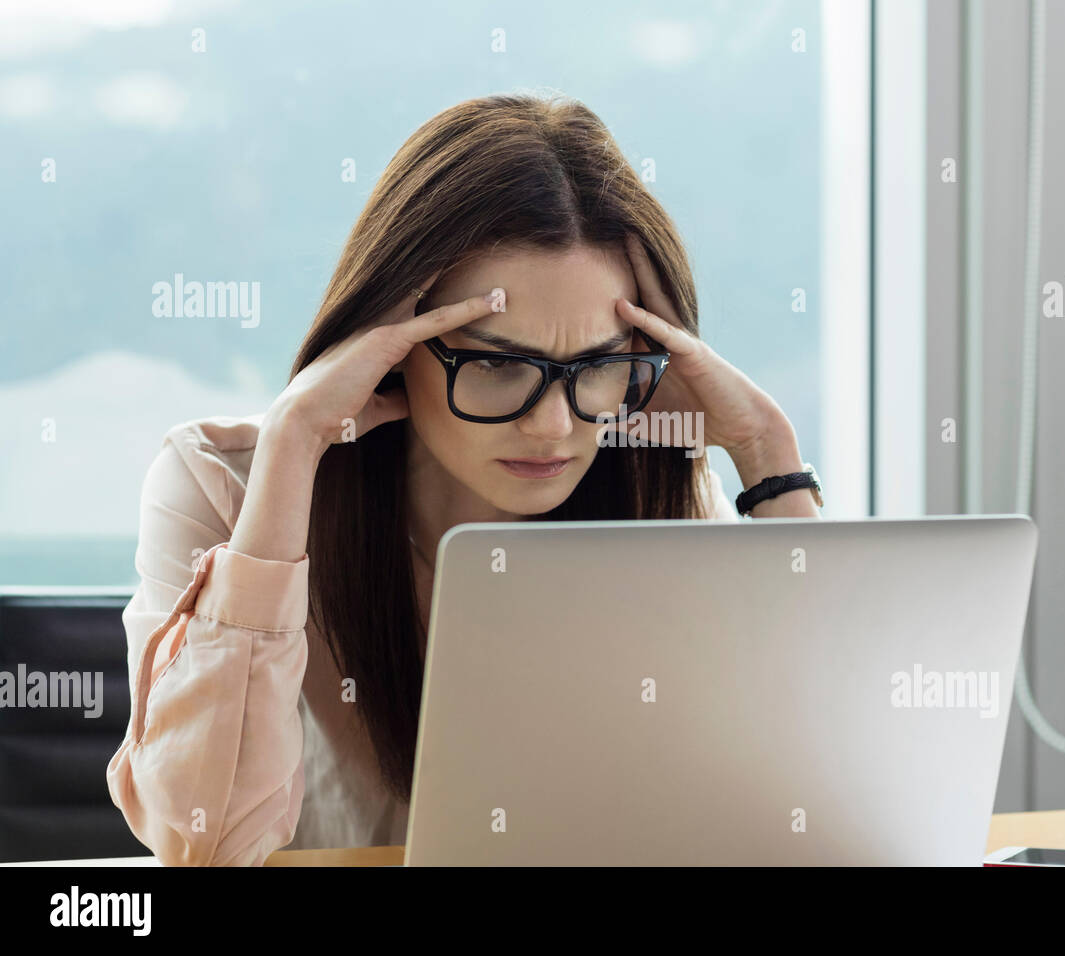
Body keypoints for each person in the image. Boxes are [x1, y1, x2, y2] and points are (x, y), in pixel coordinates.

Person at [106, 93, 821, 866]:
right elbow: (199, 844)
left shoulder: (659, 509)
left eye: (600, 366)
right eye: (498, 363)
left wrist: (766, 453)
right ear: (388, 342)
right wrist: (296, 444)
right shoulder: (221, 488)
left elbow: (809, 810)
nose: (552, 425)